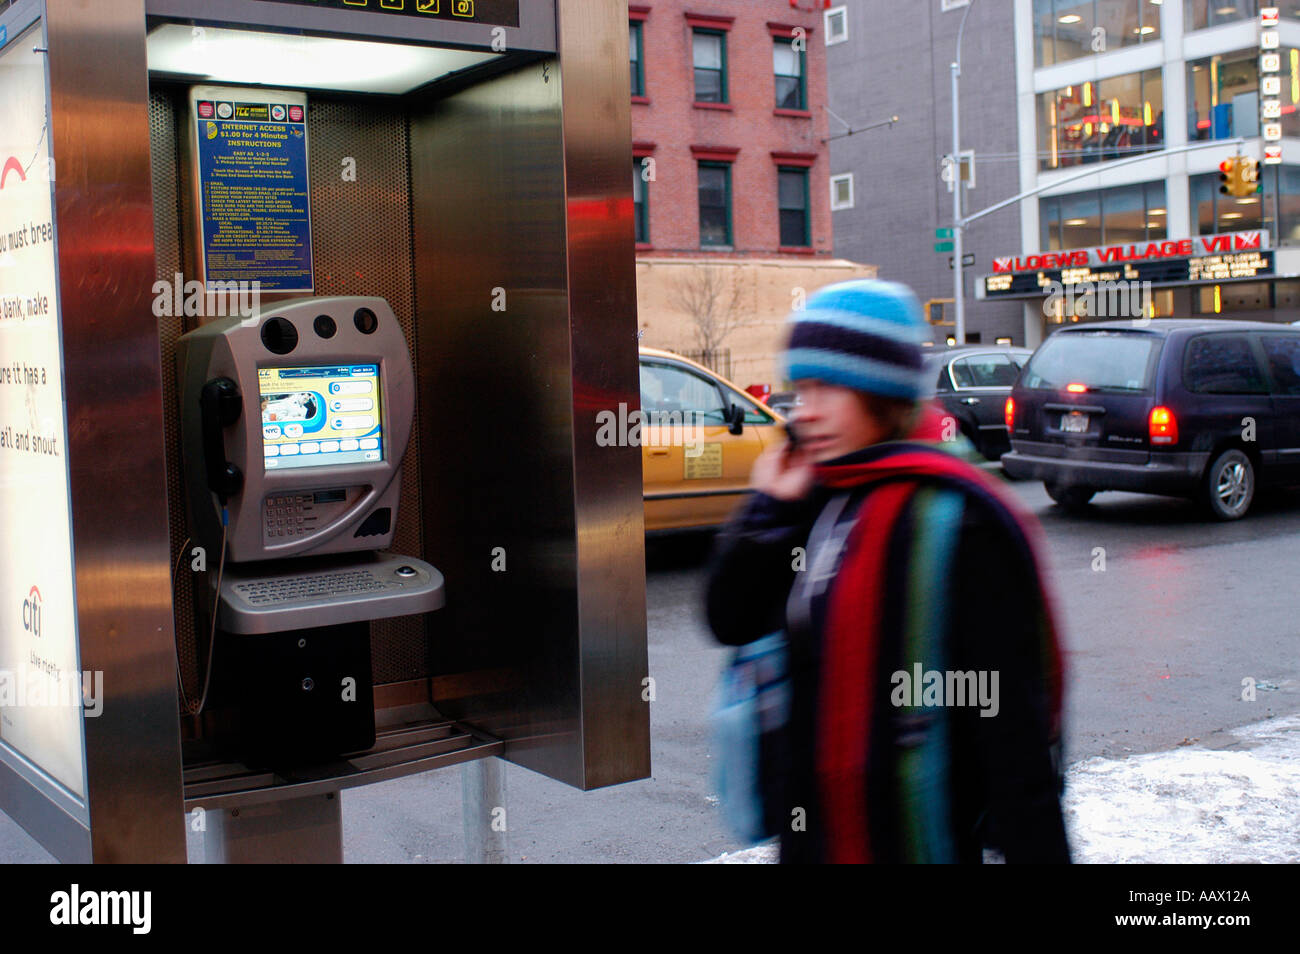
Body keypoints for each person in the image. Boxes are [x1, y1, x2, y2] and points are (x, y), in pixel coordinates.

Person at [705, 279, 1070, 864]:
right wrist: (766, 511)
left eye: (829, 387)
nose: (807, 411)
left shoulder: (961, 520)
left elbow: (1014, 743)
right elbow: (730, 618)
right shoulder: (817, 496)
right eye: (801, 388)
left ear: (882, 394)